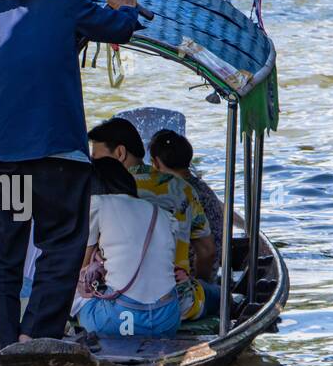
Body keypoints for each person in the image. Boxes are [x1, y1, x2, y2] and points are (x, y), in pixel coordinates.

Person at [0, 0, 141, 361]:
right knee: (61, 244)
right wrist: (125, 6)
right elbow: (118, 29)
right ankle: (35, 335)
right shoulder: (65, 7)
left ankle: (4, 342)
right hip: (57, 158)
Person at [87, 116, 217, 320]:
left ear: (120, 153)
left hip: (116, 302)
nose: (93, 164)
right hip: (177, 304)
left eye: (96, 157)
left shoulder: (102, 195)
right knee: (216, 293)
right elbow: (207, 251)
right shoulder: (182, 188)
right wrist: (199, 281)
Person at [74, 157, 179, 338]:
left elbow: (81, 266)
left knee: (71, 292)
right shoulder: (161, 213)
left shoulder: (98, 202)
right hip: (167, 318)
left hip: (119, 320)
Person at [148, 128, 226, 269]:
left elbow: (206, 252)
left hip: (191, 277)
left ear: (156, 163)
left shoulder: (176, 192)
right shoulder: (201, 188)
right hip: (211, 269)